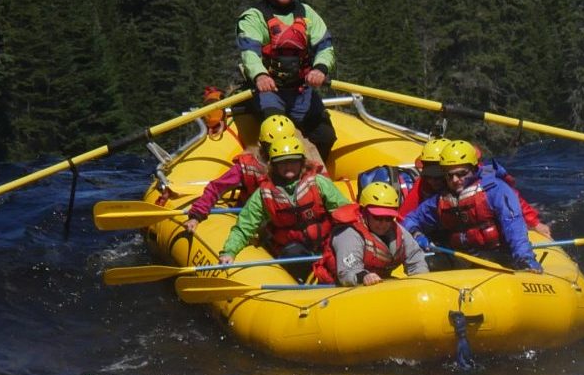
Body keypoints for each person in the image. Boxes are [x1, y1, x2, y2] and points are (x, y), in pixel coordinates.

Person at [238, 0, 338, 158]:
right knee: (278, 133)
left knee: (325, 136)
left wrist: (320, 68)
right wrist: (260, 76)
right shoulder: (254, 17)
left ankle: (316, 181)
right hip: (269, 92)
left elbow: (325, 46)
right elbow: (249, 52)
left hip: (301, 91)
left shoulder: (307, 13)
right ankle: (275, 179)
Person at [401, 139, 543, 271]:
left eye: (461, 174)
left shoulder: (495, 190)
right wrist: (417, 234)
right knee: (428, 265)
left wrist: (525, 257)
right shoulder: (439, 199)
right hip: (462, 257)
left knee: (487, 259)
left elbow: (514, 225)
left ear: (474, 169)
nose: (455, 180)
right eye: (449, 176)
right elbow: (410, 220)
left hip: (497, 255)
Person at [217, 137, 350, 264]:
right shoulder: (264, 194)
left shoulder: (318, 183)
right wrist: (230, 251)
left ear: (301, 163)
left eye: (293, 161)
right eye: (282, 162)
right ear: (273, 166)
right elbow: (244, 226)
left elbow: (344, 211)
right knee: (293, 252)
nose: (288, 166)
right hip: (292, 253)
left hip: (326, 244)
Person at [183, 115, 300, 229]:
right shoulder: (247, 166)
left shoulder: (300, 166)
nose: (279, 152)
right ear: (262, 144)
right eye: (273, 147)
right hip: (254, 220)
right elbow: (216, 187)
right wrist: (196, 215)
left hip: (287, 220)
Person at [321, 182, 429, 286]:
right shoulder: (349, 234)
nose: (383, 223)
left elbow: (416, 259)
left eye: (388, 218)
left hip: (380, 286)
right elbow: (348, 273)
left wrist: (422, 282)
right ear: (364, 212)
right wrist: (364, 277)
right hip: (341, 289)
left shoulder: (397, 231)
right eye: (377, 217)